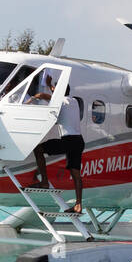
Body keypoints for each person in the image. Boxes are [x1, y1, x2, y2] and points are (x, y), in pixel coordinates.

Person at [30, 85, 85, 214]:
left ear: (59, 91)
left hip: (68, 140)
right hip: (78, 141)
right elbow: (57, 95)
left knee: (38, 149)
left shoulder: (60, 100)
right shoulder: (75, 101)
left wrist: (33, 97)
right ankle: (78, 205)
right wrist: (51, 86)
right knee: (76, 174)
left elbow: (43, 96)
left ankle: (44, 181)